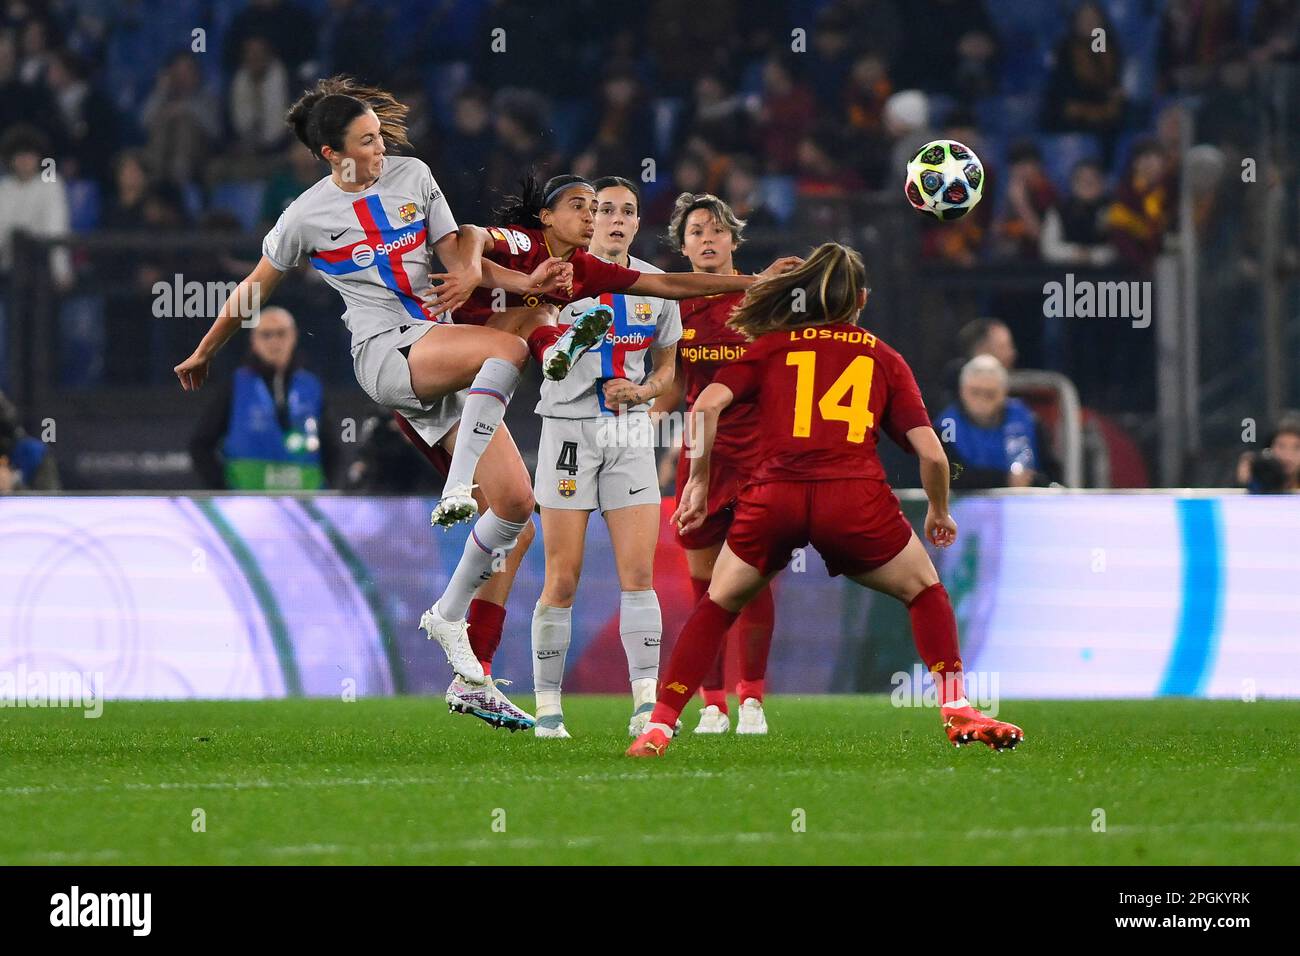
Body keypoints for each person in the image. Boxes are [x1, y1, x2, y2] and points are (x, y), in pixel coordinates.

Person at [173, 77, 571, 722]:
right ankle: (456, 489)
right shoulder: (305, 215)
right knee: (507, 352)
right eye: (365, 142)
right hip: (386, 354)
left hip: (439, 348)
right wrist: (206, 349)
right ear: (332, 154)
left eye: (380, 137)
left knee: (519, 509)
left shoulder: (414, 177)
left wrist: (526, 280)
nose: (380, 150)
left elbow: (458, 260)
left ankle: (452, 632)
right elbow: (254, 287)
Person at [628, 243, 1024, 757]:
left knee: (718, 604)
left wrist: (699, 482)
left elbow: (703, 407)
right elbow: (932, 456)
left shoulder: (771, 346)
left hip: (775, 497)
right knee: (925, 590)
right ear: (860, 299)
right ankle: (955, 706)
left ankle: (659, 725)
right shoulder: (882, 356)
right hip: (853, 500)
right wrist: (939, 510)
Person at [528, 176, 682, 739]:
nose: (614, 218)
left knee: (639, 574)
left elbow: (668, 368)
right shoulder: (559, 277)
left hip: (629, 434)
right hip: (567, 431)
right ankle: (547, 707)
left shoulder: (654, 288)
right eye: (602, 209)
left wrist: (644, 393)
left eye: (626, 211)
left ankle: (645, 704)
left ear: (639, 223)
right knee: (562, 578)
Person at [651, 193, 781, 735]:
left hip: (760, 458)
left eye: (717, 230)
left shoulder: (764, 301)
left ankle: (751, 699)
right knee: (702, 585)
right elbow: (673, 389)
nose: (707, 239)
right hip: (700, 456)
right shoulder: (675, 307)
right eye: (696, 232)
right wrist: (642, 427)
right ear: (682, 246)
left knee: (749, 581)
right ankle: (712, 703)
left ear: (734, 240)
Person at [188, 306, 339, 490]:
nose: (274, 341)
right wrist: (223, 491)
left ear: (294, 336)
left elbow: (332, 448)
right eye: (266, 335)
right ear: (254, 341)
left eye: (281, 333)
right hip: (249, 507)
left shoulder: (312, 386)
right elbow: (201, 444)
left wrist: (327, 491)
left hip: (306, 505)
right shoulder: (235, 385)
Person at [937, 355, 1061, 489]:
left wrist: (1032, 480)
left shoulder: (1027, 420)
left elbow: (1050, 473)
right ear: (962, 391)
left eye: (990, 394)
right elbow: (951, 475)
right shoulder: (946, 426)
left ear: (1003, 393)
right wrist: (1005, 479)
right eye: (975, 392)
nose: (981, 400)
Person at [1236, 417, 1300, 494]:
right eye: (1281, 446)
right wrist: (1243, 483)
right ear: (1269, 449)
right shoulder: (1257, 484)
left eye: (1297, 447)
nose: (1288, 455)